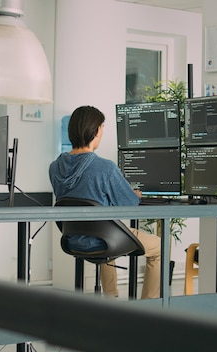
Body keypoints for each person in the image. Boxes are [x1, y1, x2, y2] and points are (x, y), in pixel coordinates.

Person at [49, 105, 160, 299]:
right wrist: (136, 194)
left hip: (72, 239)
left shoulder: (55, 168)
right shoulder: (104, 168)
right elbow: (128, 203)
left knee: (106, 228)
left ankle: (110, 300)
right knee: (159, 247)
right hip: (102, 240)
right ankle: (148, 306)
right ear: (98, 130)